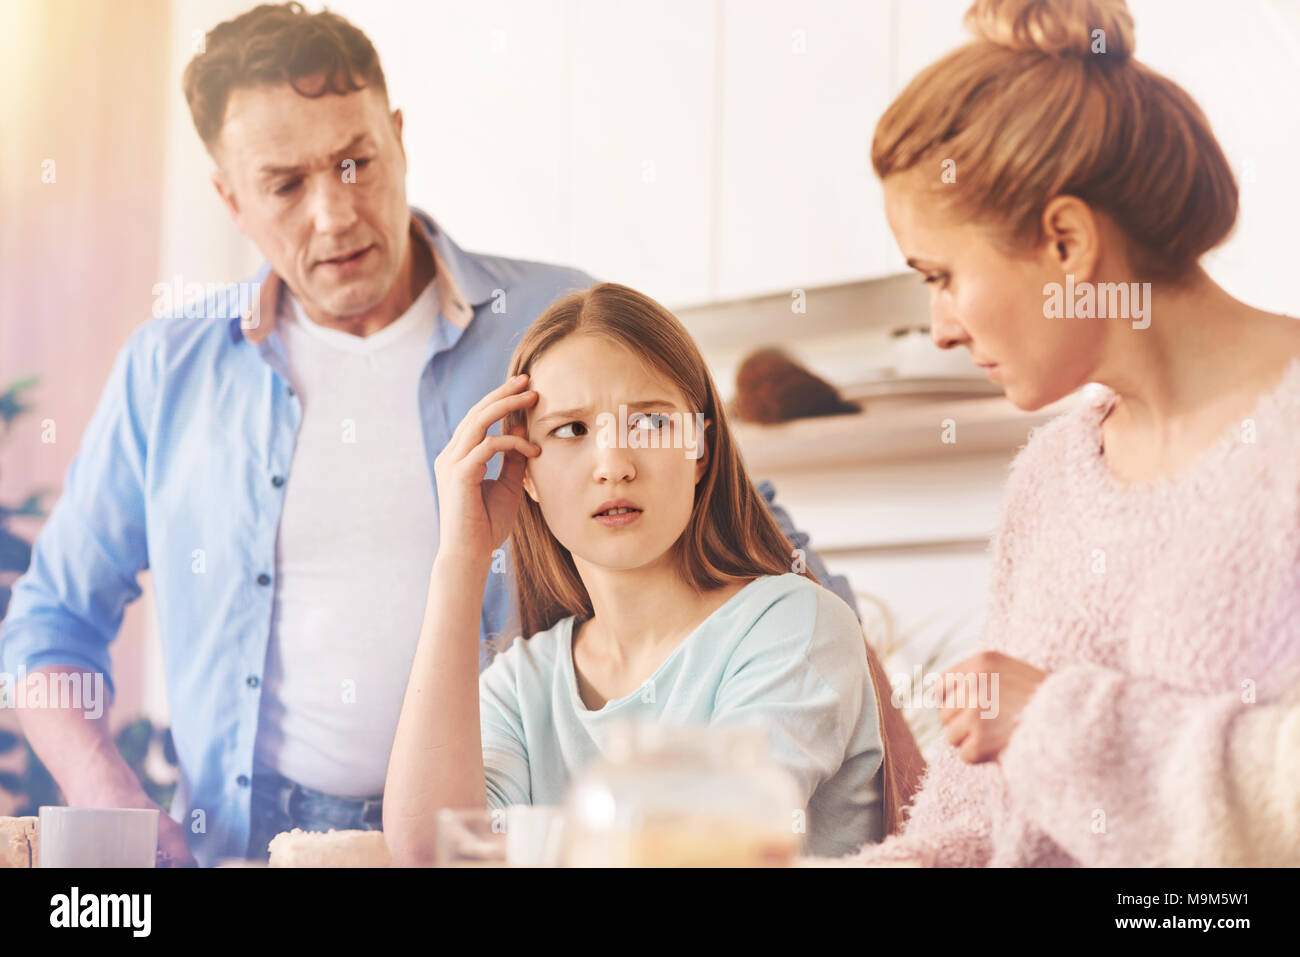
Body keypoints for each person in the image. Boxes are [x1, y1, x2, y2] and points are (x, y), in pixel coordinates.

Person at [0, 2, 856, 867]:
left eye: (355, 161)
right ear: (230, 199)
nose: (335, 213)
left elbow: (753, 531)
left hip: (497, 827)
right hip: (249, 839)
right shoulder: (168, 371)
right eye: (287, 185)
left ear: (399, 138)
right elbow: (50, 620)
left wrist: (887, 744)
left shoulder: (551, 320)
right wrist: (110, 802)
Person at [849, 0, 1300, 867]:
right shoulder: (1051, 480)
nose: (937, 327)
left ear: (1066, 240)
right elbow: (978, 831)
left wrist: (1055, 719)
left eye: (941, 276)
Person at [384, 282, 909, 863]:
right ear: (524, 473)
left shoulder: (794, 626)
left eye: (652, 424)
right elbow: (430, 853)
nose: (613, 466)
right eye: (571, 430)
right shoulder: (520, 684)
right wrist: (460, 563)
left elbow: (702, 851)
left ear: (701, 449)